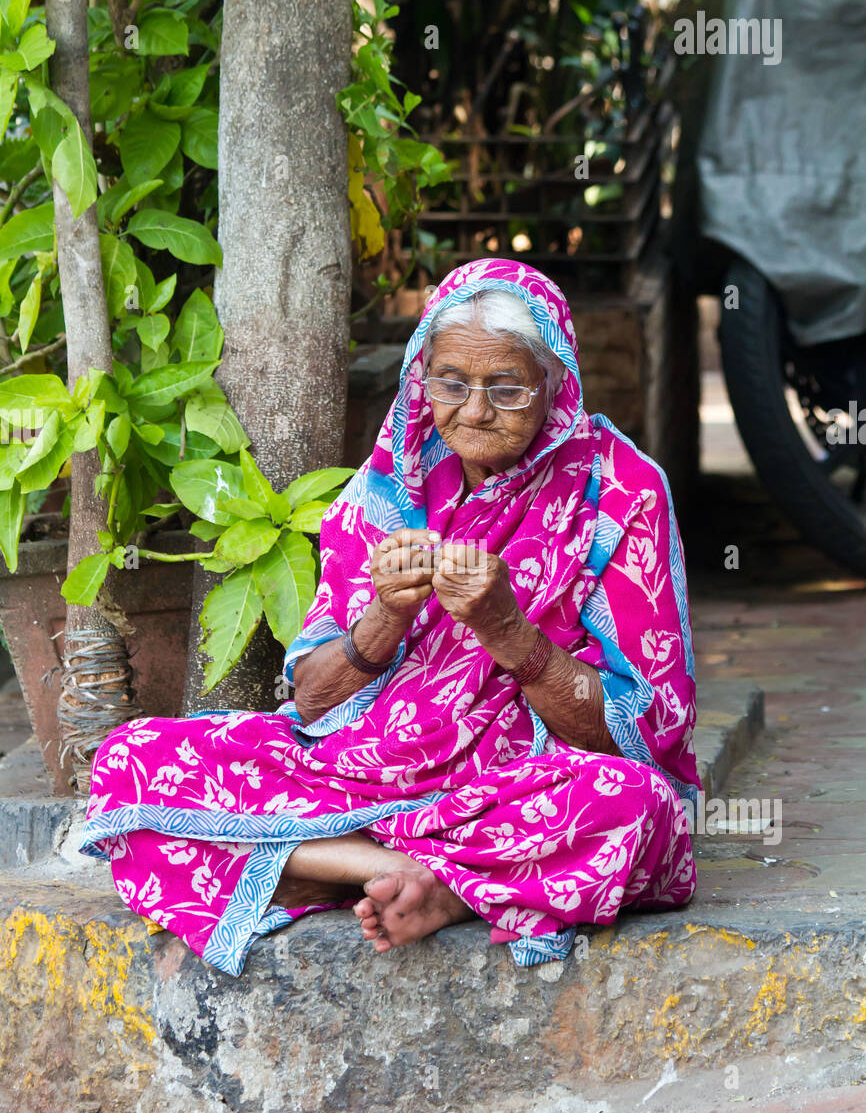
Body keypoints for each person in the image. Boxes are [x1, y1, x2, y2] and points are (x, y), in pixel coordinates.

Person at [82, 259, 700, 976]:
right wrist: (385, 615)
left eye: (506, 387)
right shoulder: (387, 487)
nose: (472, 411)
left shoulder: (618, 494)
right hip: (360, 774)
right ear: (422, 375)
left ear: (555, 382)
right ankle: (420, 873)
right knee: (128, 762)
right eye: (451, 383)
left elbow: (637, 736)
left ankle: (331, 867)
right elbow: (311, 700)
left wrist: (509, 633)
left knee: (637, 808)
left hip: (518, 785)